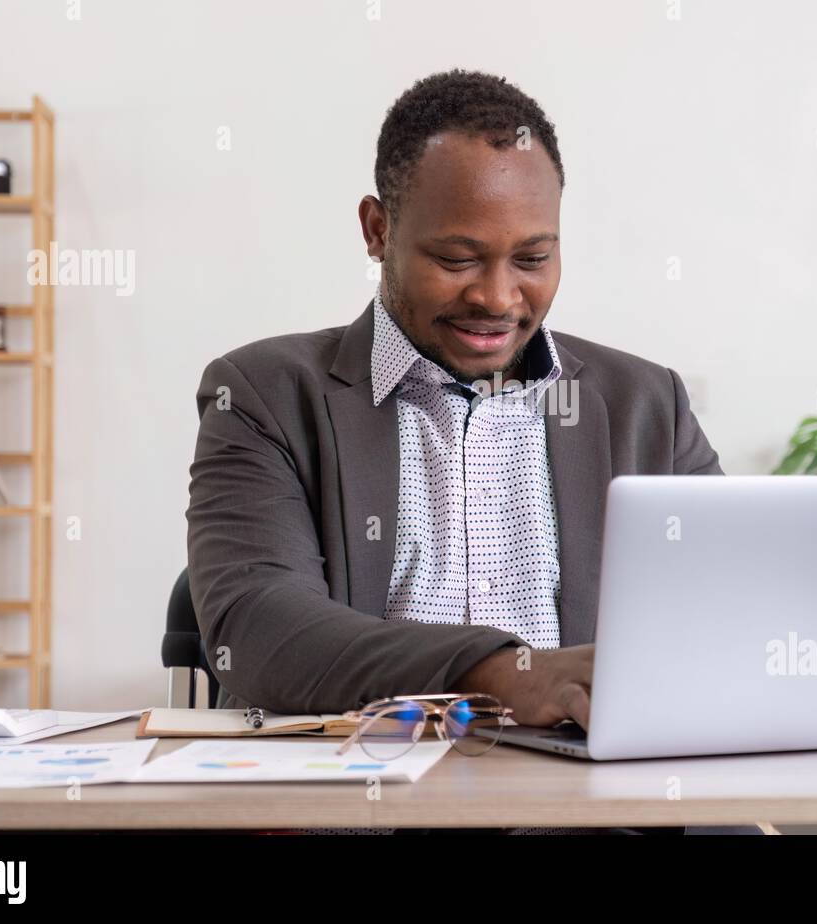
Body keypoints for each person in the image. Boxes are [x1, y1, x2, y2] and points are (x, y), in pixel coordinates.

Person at [186, 70, 729, 834]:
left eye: (533, 259)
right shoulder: (266, 394)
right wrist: (505, 673)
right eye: (458, 258)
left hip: (598, 818)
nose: (499, 298)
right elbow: (261, 631)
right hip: (368, 815)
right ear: (378, 230)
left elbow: (725, 619)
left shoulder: (646, 405)